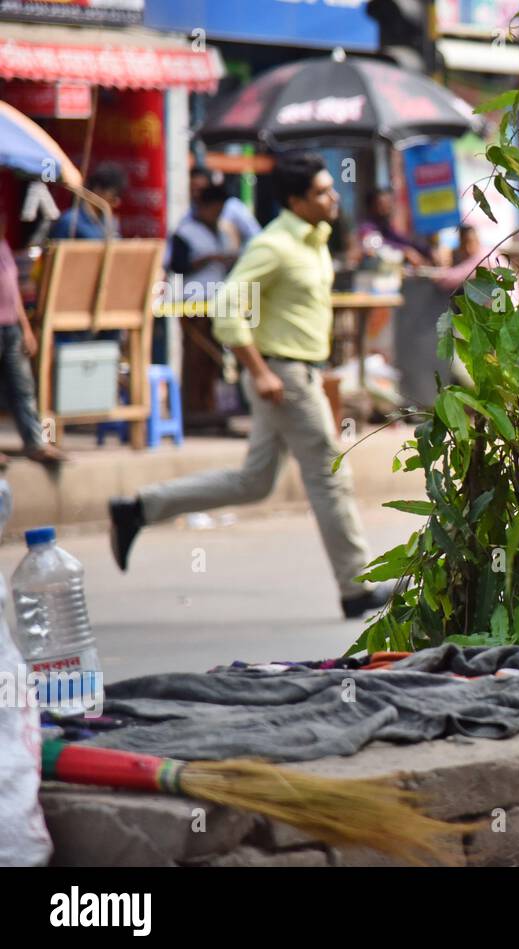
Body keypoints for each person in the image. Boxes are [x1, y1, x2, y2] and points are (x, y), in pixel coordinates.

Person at [108, 152, 393, 619]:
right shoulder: (273, 245)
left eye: (330, 188)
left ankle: (139, 509)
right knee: (330, 473)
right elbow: (225, 310)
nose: (333, 196)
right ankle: (356, 587)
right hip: (282, 375)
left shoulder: (316, 239)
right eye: (322, 191)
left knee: (254, 482)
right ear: (296, 201)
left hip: (298, 372)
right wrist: (259, 371)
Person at [0, 215, 66, 465]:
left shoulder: (4, 247)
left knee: (23, 388)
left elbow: (13, 292)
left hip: (10, 328)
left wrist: (26, 329)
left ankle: (36, 443)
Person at [186, 167, 260, 248]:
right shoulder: (190, 211)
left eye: (200, 189)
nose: (196, 194)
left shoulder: (232, 206)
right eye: (192, 189)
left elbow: (255, 235)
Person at [49, 163, 125, 240]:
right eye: (113, 197)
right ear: (98, 190)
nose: (117, 202)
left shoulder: (110, 222)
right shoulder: (69, 221)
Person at [358, 188, 427, 267]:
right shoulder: (367, 228)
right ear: (371, 207)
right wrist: (405, 251)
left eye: (389, 204)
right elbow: (378, 244)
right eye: (382, 204)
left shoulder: (384, 226)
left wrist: (427, 251)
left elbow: (401, 240)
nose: (387, 208)